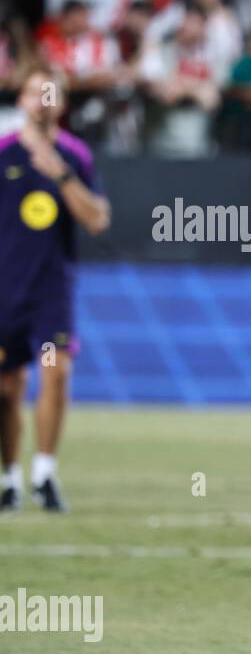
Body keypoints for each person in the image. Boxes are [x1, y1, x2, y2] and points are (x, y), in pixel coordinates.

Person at [0, 65, 111, 512]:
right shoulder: (4, 152)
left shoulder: (76, 156)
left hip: (51, 288)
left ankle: (45, 473)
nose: (43, 100)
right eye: (34, 92)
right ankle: (9, 478)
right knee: (7, 388)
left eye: (51, 93)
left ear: (61, 104)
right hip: (6, 288)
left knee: (57, 370)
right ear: (22, 99)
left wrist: (62, 176)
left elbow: (98, 219)